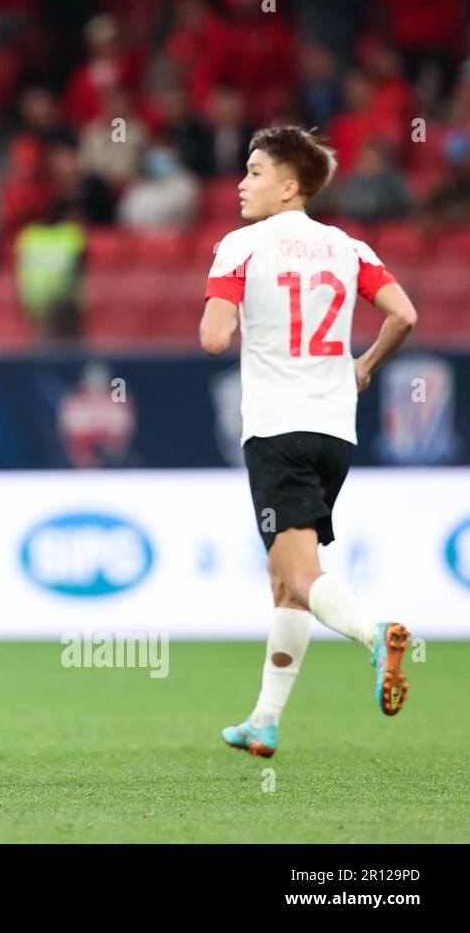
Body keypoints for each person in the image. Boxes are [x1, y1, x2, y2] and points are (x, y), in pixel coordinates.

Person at [199, 126, 418, 757]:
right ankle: (264, 720)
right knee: (285, 581)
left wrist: (231, 311)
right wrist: (366, 364)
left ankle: (376, 634)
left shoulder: (239, 246)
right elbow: (403, 314)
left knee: (301, 573)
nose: (242, 183)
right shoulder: (349, 248)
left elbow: (214, 339)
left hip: (277, 429)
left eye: (255, 171)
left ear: (290, 186)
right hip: (334, 433)